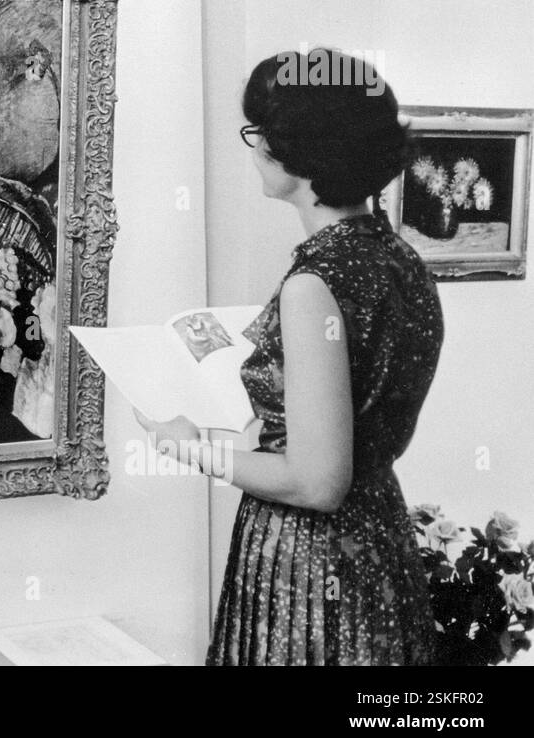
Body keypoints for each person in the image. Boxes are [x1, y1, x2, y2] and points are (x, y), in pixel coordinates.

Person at [138, 47, 443, 665]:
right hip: (381, 540)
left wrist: (187, 446)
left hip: (308, 562)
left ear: (300, 153)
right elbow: (342, 429)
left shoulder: (315, 285)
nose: (251, 149)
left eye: (258, 133)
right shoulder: (402, 261)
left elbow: (316, 482)